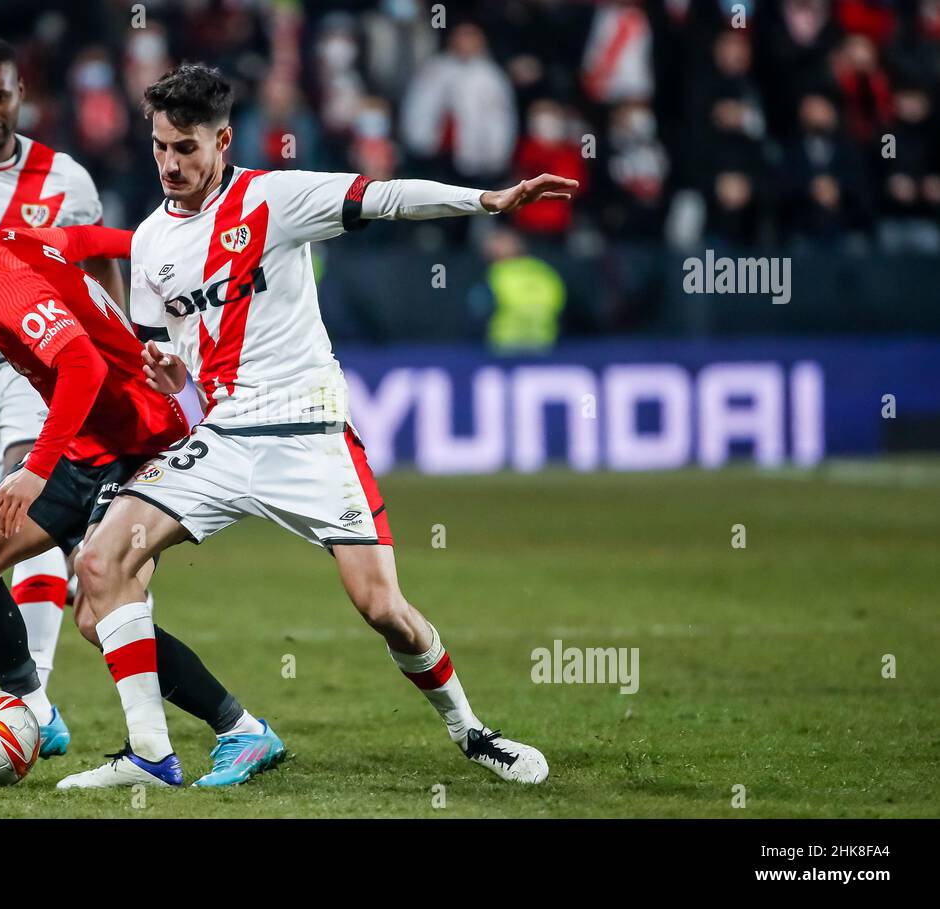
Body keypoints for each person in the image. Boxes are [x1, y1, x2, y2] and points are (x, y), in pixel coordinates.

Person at [63, 64, 577, 790]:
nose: (171, 164)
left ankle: (473, 732)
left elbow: (386, 197)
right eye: (160, 148)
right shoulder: (149, 244)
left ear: (223, 139)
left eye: (186, 147)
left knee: (383, 607)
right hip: (222, 439)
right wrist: (171, 382)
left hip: (308, 432)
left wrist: (487, 199)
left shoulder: (275, 198)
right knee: (99, 566)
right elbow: (168, 363)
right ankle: (151, 753)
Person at [0, 39, 280, 786]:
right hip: (95, 443)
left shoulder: (3, 289)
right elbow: (90, 240)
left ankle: (237, 731)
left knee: (99, 605)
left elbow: (83, 364)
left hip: (142, 438)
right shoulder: (12, 243)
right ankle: (32, 706)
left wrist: (34, 469)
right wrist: (154, 241)